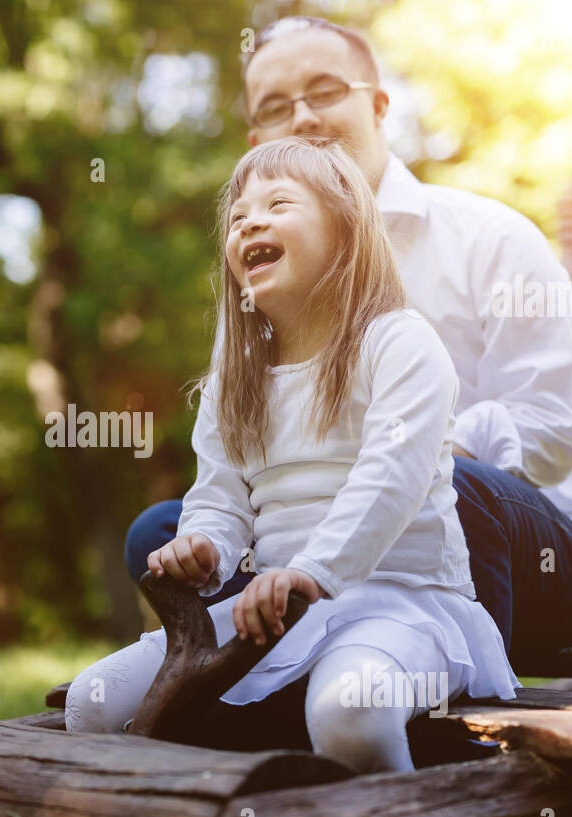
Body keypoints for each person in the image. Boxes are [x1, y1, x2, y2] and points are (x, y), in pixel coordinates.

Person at [125, 15, 572, 663]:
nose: (303, 117)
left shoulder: (490, 237)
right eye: (277, 108)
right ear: (257, 140)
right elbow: (238, 464)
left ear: (379, 104)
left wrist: (407, 451)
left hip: (535, 560)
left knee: (445, 480)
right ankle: (281, 670)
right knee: (164, 538)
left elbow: (555, 431)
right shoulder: (260, 285)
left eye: (326, 90)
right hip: (324, 541)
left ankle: (452, 692)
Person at [65, 139, 520, 774]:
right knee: (90, 703)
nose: (249, 221)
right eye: (237, 216)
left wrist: (311, 572)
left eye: (279, 203)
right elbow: (220, 498)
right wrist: (204, 547)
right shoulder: (235, 381)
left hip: (403, 604)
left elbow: (390, 478)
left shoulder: (400, 342)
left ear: (346, 229)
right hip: (281, 611)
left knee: (349, 715)